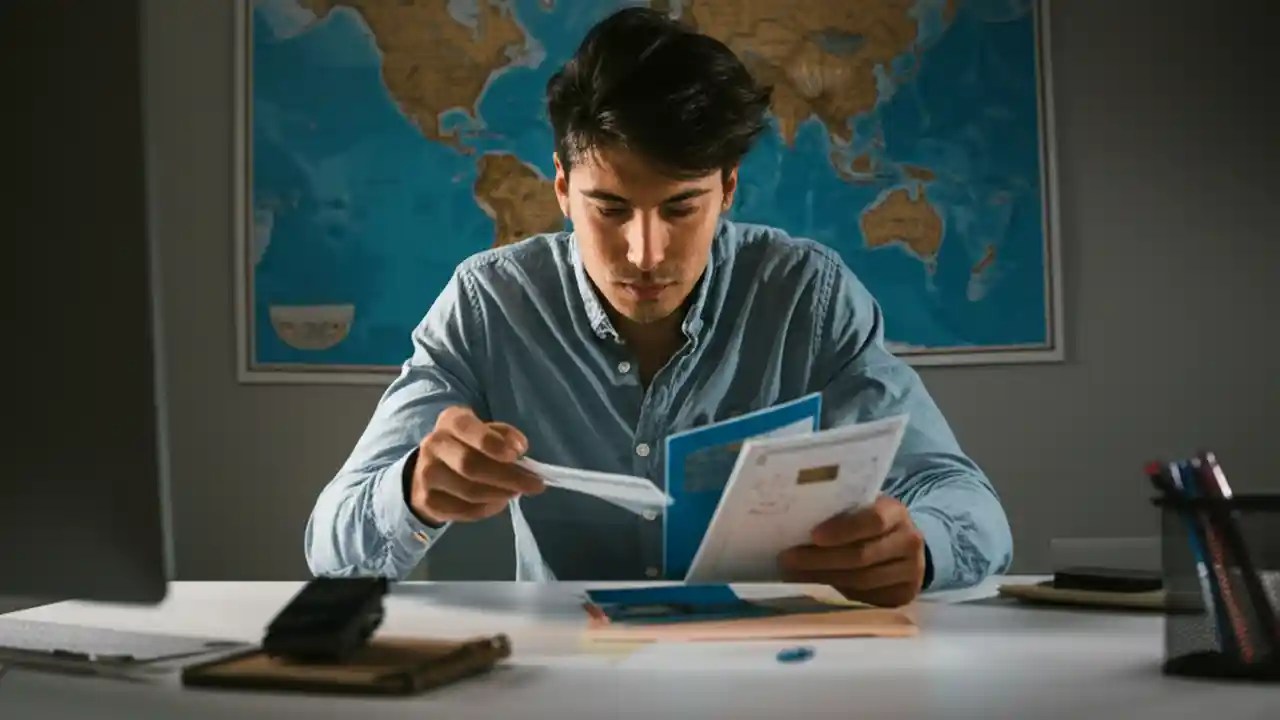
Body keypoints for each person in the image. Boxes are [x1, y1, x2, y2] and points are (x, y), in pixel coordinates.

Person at [304, 7, 1012, 606]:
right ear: (560, 188)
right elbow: (330, 548)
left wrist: (920, 549)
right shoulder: (489, 303)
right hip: (564, 688)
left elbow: (967, 501)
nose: (645, 253)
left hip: (773, 678)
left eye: (681, 208)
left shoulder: (808, 297)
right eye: (610, 208)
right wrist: (413, 491)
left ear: (728, 189)